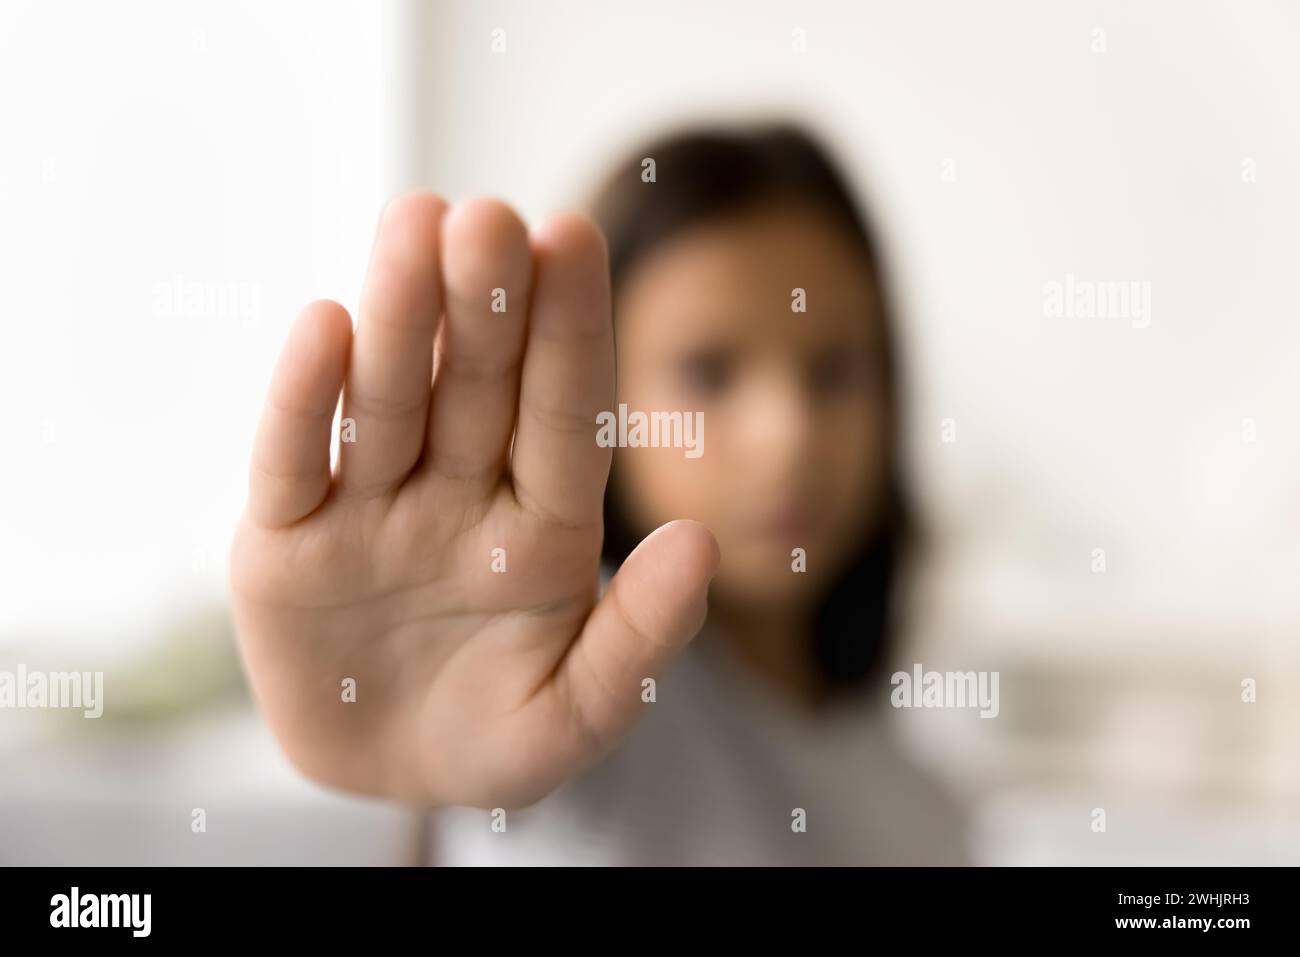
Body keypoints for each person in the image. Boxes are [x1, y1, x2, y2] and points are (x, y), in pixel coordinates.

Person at [229, 122, 968, 865]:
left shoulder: (928, 799)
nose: (789, 434)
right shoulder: (572, 696)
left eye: (836, 368)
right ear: (599, 401)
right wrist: (400, 728)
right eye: (709, 371)